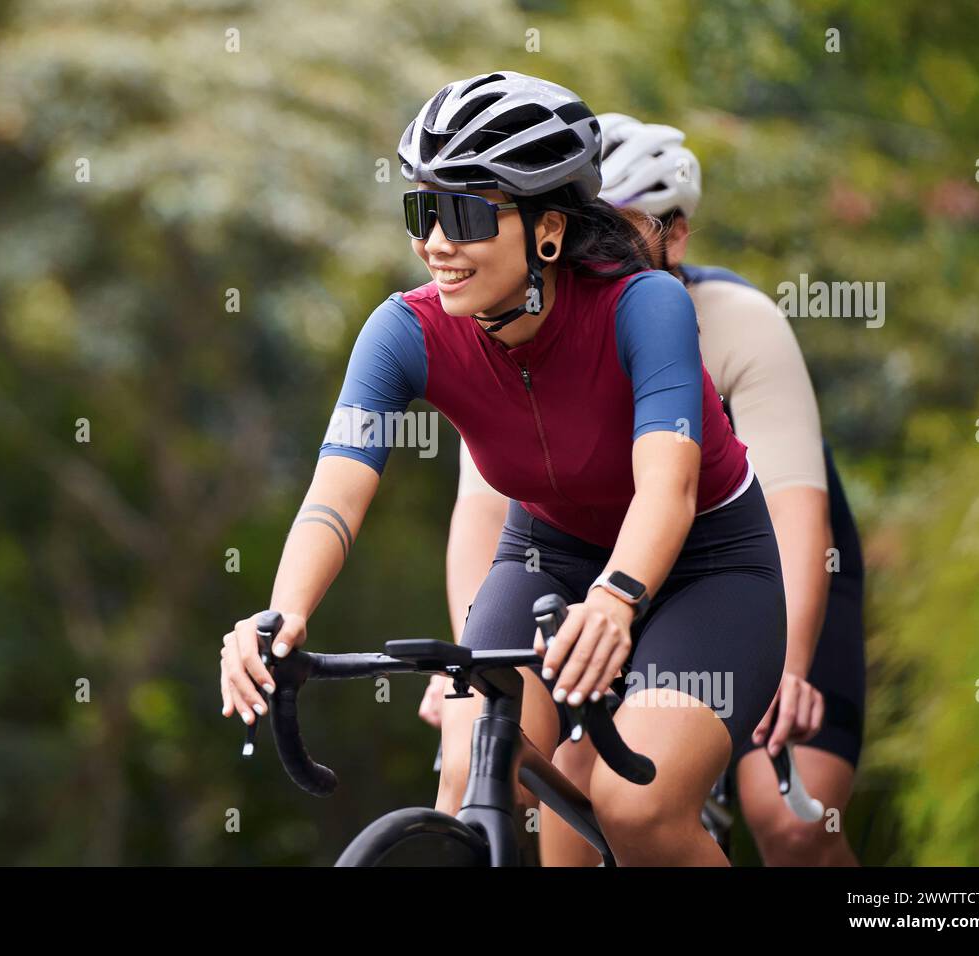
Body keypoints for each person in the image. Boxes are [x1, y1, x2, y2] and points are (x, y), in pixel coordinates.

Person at [220, 72, 798, 865]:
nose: (434, 244)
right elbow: (336, 495)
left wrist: (618, 599)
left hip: (708, 563)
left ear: (548, 229)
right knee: (471, 772)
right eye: (421, 212)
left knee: (634, 804)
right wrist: (281, 614)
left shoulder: (644, 306)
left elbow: (671, 488)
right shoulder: (404, 330)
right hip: (548, 557)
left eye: (462, 214)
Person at [419, 113, 865, 866]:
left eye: (618, 230)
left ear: (676, 237)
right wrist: (466, 656)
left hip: (759, 568)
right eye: (585, 229)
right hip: (597, 562)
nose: (595, 253)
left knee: (790, 823)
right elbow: (485, 512)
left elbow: (795, 513)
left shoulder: (737, 323)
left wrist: (789, 665)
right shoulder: (519, 328)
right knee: (573, 784)